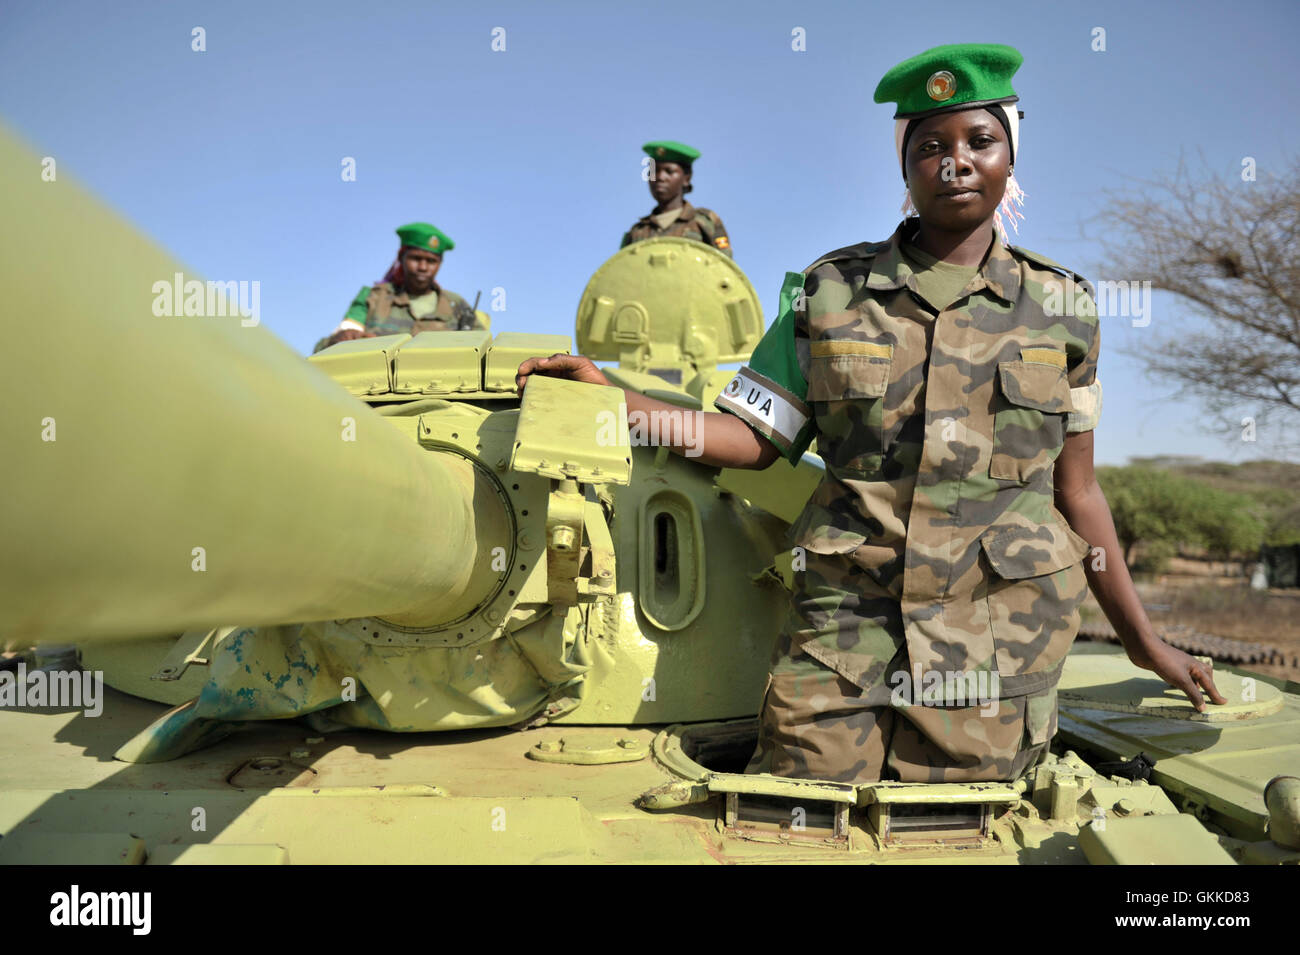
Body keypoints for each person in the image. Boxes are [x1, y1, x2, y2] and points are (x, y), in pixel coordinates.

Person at [518, 43, 1224, 785]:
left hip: (993, 648)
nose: (955, 162)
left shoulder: (1064, 309)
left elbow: (1075, 491)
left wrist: (1141, 638)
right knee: (794, 815)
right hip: (841, 641)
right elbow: (755, 439)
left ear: (1010, 158)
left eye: (980, 141)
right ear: (904, 166)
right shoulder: (827, 293)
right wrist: (623, 404)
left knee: (959, 836)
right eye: (930, 146)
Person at [314, 222, 486, 352]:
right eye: (416, 259)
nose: (423, 267)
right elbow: (324, 349)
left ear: (440, 263)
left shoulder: (456, 306)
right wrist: (339, 340)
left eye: (431, 261)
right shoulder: (373, 298)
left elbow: (484, 350)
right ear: (401, 258)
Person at [620, 141, 733, 258]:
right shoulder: (637, 231)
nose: (659, 177)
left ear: (686, 178)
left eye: (669, 171)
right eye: (653, 172)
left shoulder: (704, 221)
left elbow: (724, 268)